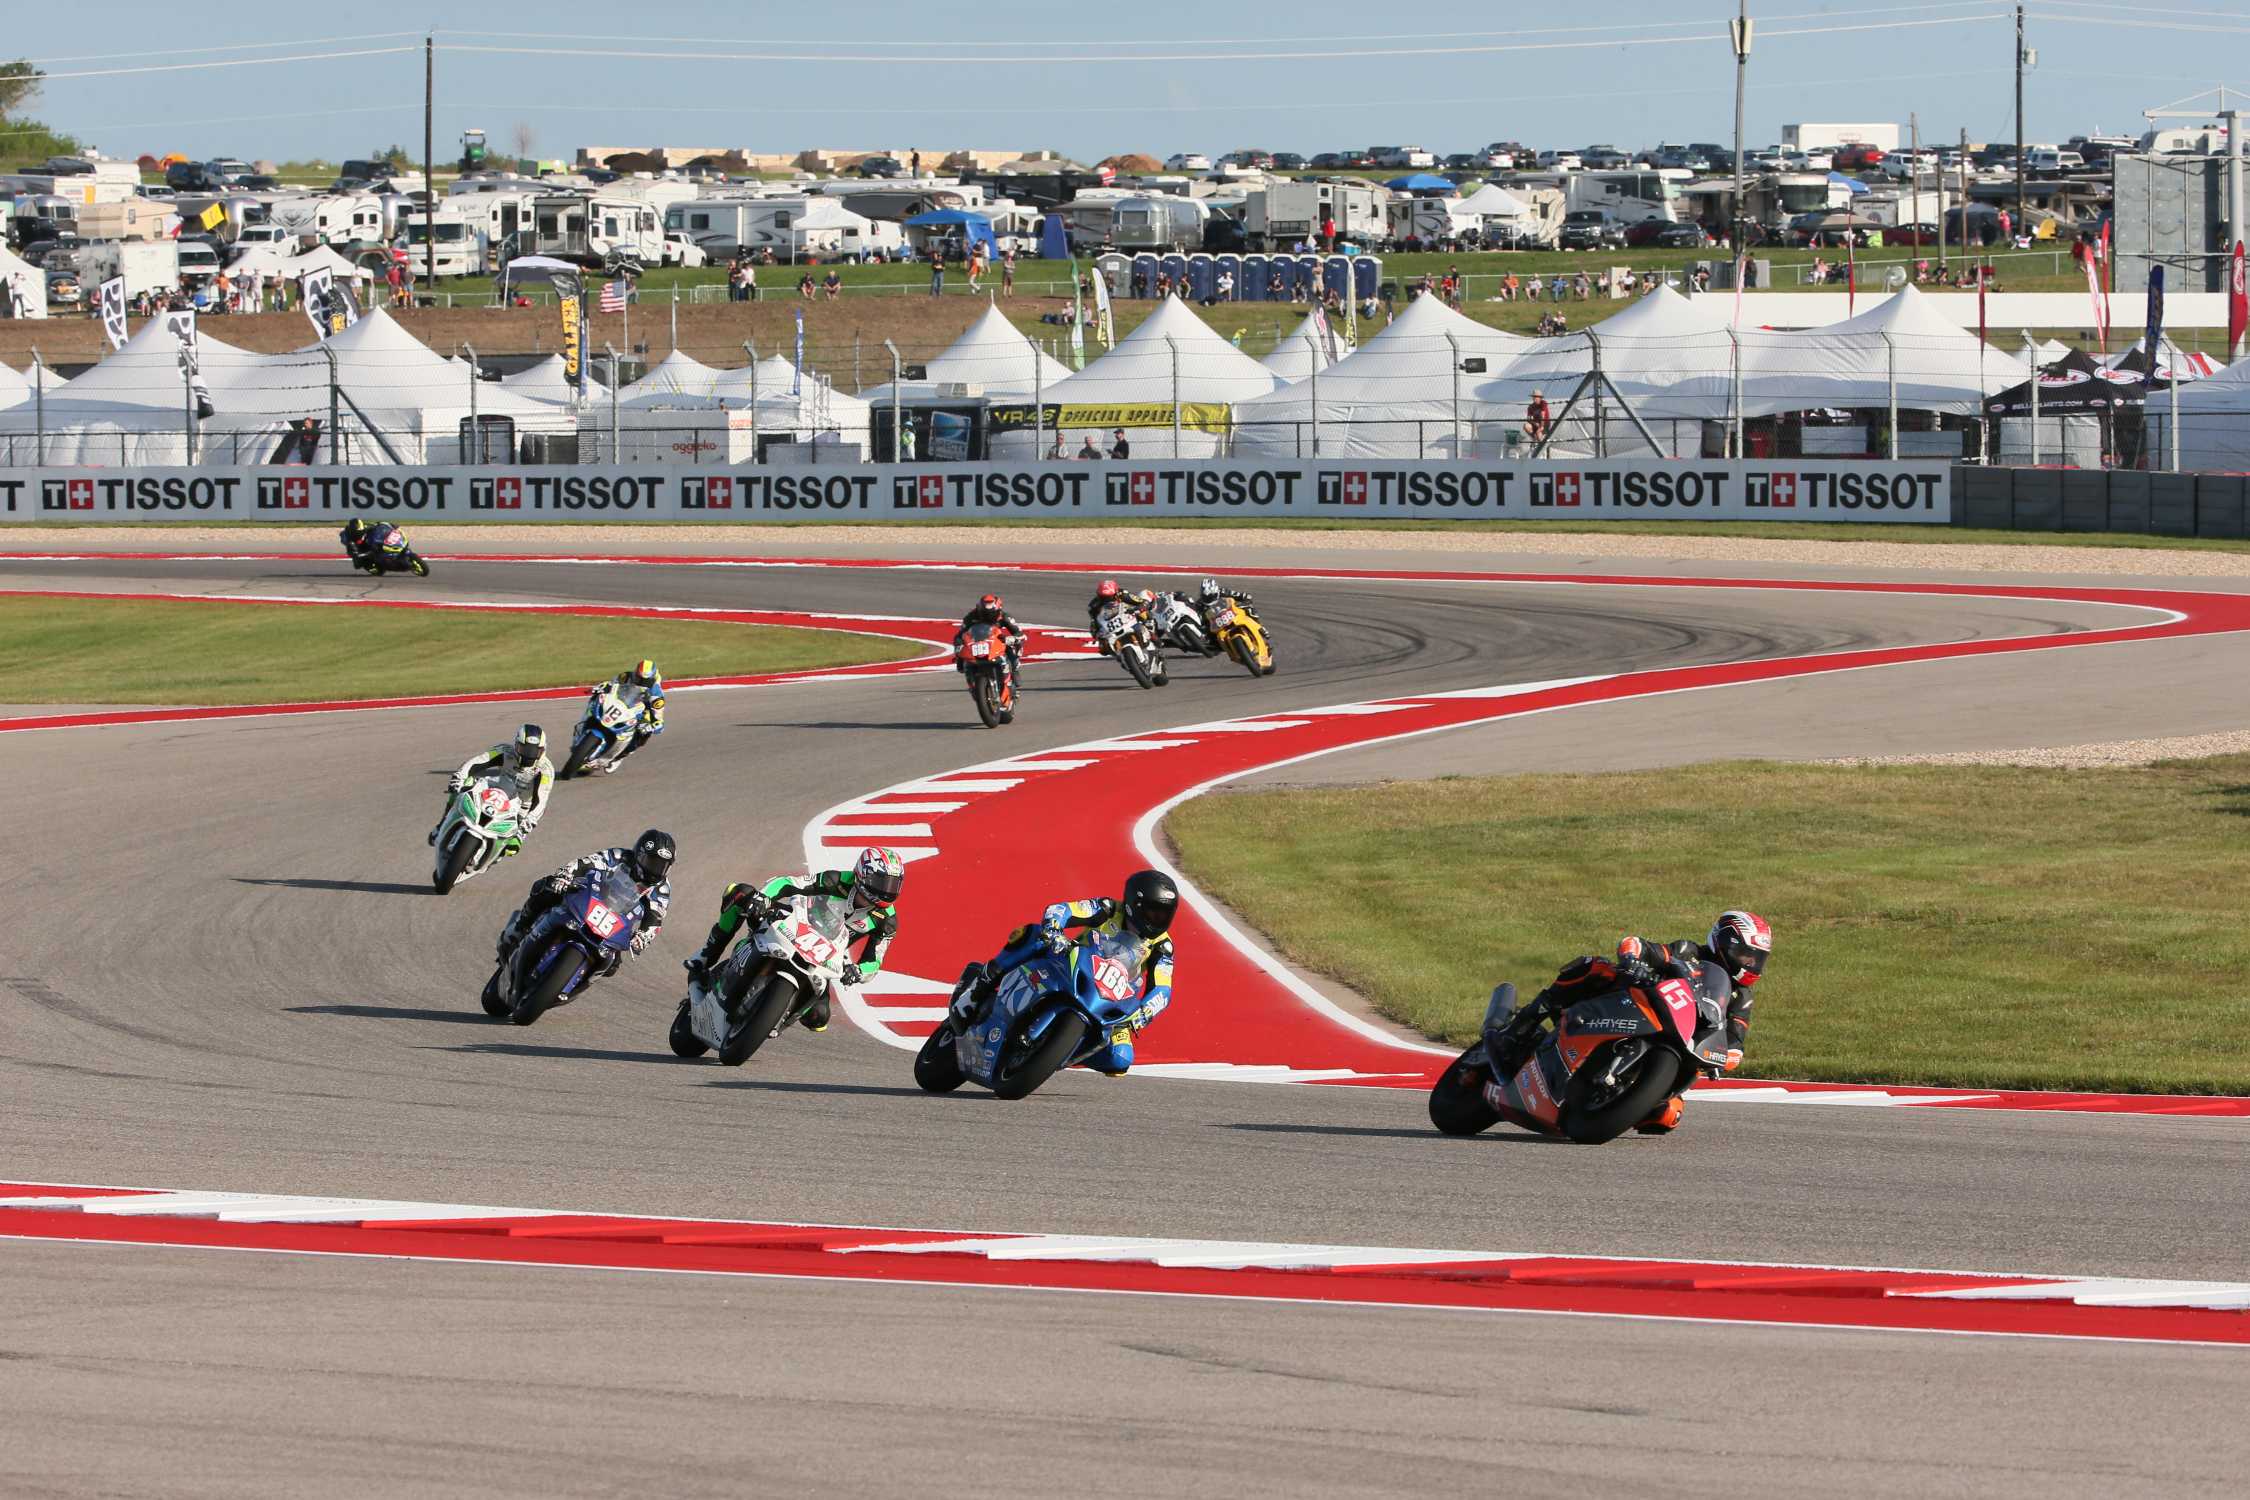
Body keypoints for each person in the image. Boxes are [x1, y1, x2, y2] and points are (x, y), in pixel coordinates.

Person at [1483, 912, 1771, 1134]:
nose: (1750, 963)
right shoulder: (1689, 952)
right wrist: (1633, 957)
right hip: (1638, 1006)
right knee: (1594, 967)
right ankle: (1521, 1025)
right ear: (1723, 942)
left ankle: (1618, 1098)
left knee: (1667, 1117)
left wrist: (1730, 1055)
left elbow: (1735, 1037)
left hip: (1683, 1044)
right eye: (1746, 954)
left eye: (1757, 958)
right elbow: (1643, 947)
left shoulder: (1741, 997)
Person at [948, 870, 1179, 1076]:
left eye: (1165, 914)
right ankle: (979, 986)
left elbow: (1162, 991)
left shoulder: (1162, 948)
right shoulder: (1108, 909)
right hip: (1068, 962)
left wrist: (1145, 1012)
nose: (1159, 919)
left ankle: (1060, 1052)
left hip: (1109, 998)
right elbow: (1062, 909)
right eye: (1154, 911)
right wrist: (1054, 929)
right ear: (1134, 905)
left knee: (1120, 1059)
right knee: (1033, 935)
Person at [682, 847, 906, 1034]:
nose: (886, 891)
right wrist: (763, 897)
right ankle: (706, 954)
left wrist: (858, 971)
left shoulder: (886, 920)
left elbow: (875, 960)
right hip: (792, 925)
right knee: (739, 892)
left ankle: (775, 1020)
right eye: (881, 882)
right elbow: (789, 883)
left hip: (824, 956)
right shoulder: (836, 880)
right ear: (862, 875)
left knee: (819, 1019)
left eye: (893, 885)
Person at [495, 829, 676, 976]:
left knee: (612, 966)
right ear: (639, 854)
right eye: (652, 862)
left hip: (615, 922)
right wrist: (565, 876)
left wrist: (643, 936)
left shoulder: (662, 888)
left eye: (662, 866)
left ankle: (571, 979)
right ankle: (519, 928)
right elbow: (587, 863)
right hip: (588, 898)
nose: (656, 870)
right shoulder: (619, 856)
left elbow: (655, 918)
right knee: (546, 888)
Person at [432, 724, 554, 848]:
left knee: (510, 847)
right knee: (466, 783)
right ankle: (442, 825)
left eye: (534, 751)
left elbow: (541, 801)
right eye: (525, 750)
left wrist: (523, 830)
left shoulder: (545, 770)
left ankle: (487, 861)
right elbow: (477, 761)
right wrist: (459, 777)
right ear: (516, 744)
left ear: (543, 750)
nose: (529, 755)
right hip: (495, 791)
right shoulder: (505, 751)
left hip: (520, 808)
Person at [587, 659, 666, 771]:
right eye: (638, 678)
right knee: (597, 700)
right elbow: (611, 685)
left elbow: (658, 718)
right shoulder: (626, 676)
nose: (640, 681)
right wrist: (602, 687)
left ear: (652, 679)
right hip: (620, 702)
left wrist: (654, 725)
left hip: (639, 711)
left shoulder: (657, 694)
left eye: (645, 680)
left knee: (643, 734)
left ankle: (619, 757)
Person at [953, 592, 1026, 675]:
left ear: (998, 610)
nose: (988, 616)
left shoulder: (1004, 617)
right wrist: (959, 646)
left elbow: (1019, 633)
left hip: (997, 639)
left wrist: (1012, 638)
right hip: (978, 640)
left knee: (1012, 644)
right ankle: (967, 669)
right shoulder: (971, 616)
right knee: (960, 652)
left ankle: (1014, 666)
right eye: (984, 613)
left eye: (991, 613)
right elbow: (960, 634)